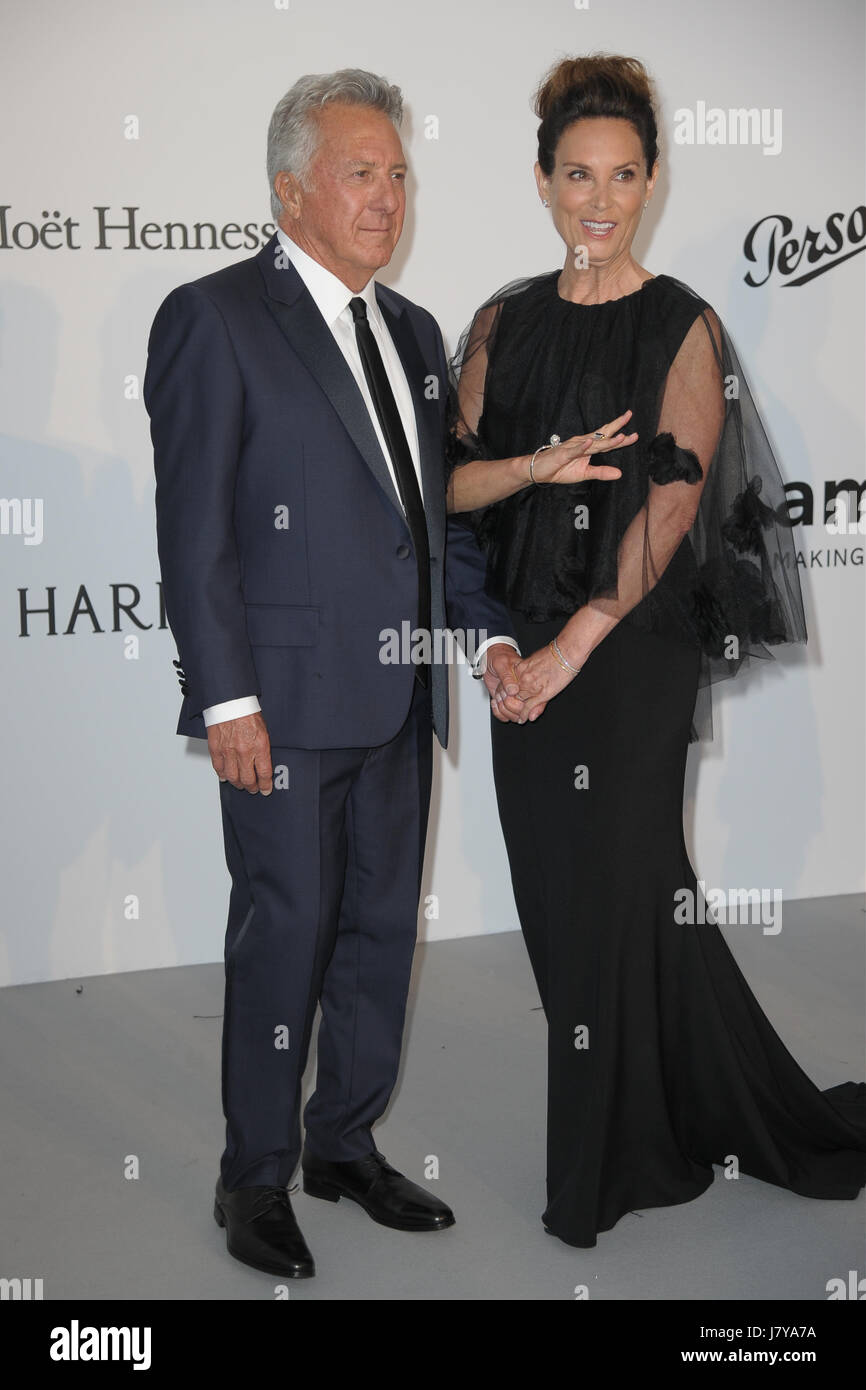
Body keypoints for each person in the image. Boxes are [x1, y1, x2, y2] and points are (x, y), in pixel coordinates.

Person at [447, 53, 866, 1248]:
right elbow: (449, 485)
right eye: (575, 172)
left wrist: (572, 648)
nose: (598, 196)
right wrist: (523, 495)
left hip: (625, 654)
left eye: (621, 174)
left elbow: (672, 506)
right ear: (539, 181)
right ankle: (700, 1095)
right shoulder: (498, 322)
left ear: (649, 183)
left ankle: (605, 1164)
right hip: (518, 640)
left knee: (620, 884)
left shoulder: (683, 322)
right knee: (561, 892)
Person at [144, 69, 536, 1279]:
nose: (387, 196)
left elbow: (430, 523)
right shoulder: (213, 318)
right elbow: (192, 529)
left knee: (376, 934)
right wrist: (226, 698)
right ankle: (251, 1177)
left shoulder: (415, 332)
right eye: (361, 172)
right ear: (289, 189)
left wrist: (485, 632)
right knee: (287, 935)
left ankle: (343, 1144)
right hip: (284, 706)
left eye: (398, 173)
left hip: (401, 694)